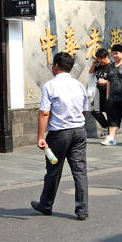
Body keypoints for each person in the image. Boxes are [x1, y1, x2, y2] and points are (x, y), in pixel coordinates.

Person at [31, 51, 90, 220]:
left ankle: (46, 205)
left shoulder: (50, 85)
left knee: (53, 171)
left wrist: (40, 136)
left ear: (55, 66)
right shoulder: (79, 85)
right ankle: (82, 210)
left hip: (59, 134)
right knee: (80, 171)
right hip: (79, 131)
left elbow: (44, 113)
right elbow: (84, 110)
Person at [89, 47, 112, 134]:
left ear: (106, 56)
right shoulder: (99, 66)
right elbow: (91, 72)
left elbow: (115, 80)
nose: (99, 60)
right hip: (99, 93)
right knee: (94, 110)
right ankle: (106, 125)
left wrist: (105, 82)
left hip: (108, 92)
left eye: (100, 58)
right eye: (98, 58)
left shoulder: (112, 66)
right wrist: (94, 64)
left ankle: (110, 133)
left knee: (109, 112)